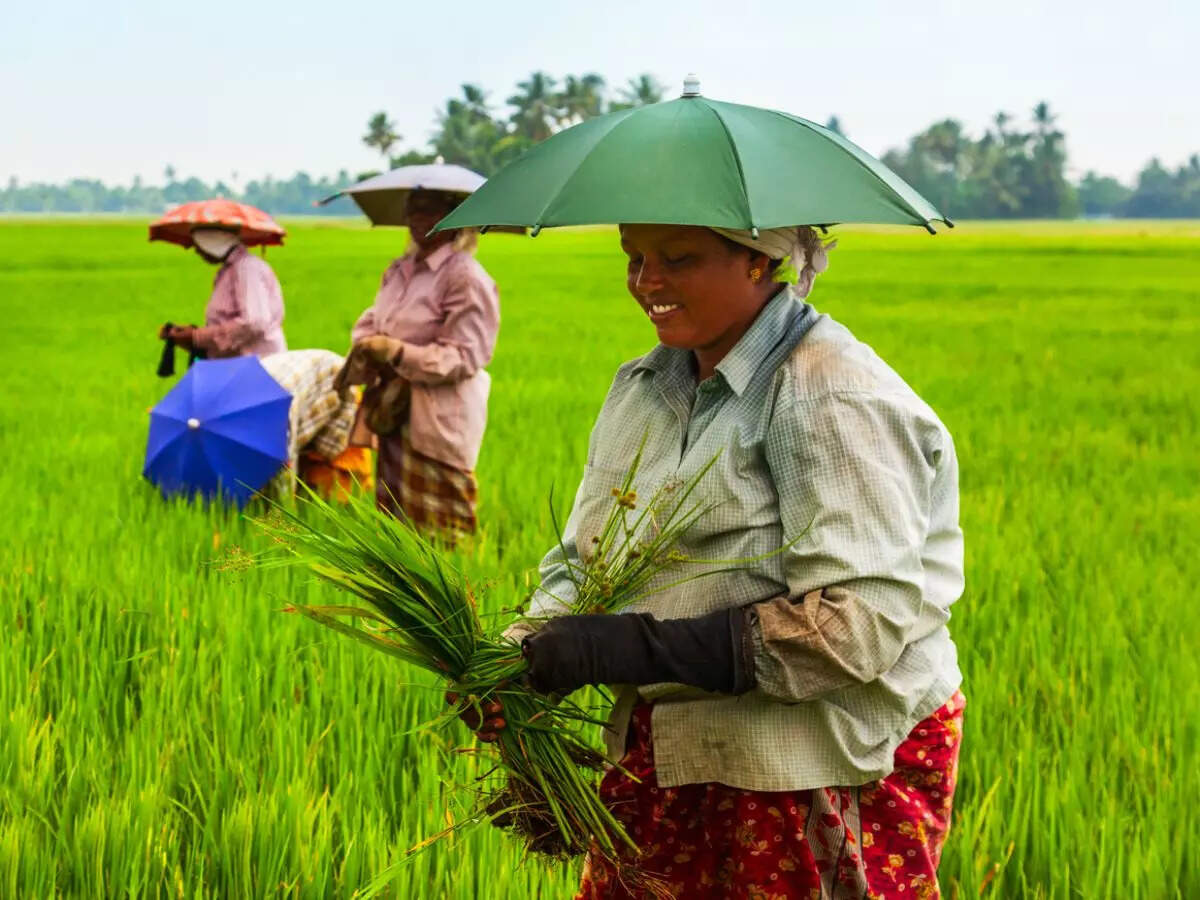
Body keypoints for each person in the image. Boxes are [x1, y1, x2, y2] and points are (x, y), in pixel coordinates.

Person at [476, 225, 965, 899]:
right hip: (669, 747)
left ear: (763, 261)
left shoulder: (829, 392)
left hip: (813, 759)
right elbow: (584, 557)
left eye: (678, 259)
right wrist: (520, 656)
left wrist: (628, 647)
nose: (647, 281)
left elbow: (858, 626)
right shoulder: (644, 385)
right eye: (636, 258)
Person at [346, 189, 499, 536]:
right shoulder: (401, 269)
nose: (416, 218)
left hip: (437, 419)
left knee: (443, 536)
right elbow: (374, 318)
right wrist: (369, 342)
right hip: (392, 411)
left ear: (454, 217)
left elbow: (465, 354)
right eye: (412, 209)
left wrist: (398, 352)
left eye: (429, 210)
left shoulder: (465, 277)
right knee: (394, 529)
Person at [159, 226, 287, 359]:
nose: (196, 250)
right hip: (237, 364)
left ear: (213, 243)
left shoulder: (246, 268)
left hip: (255, 366)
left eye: (199, 244)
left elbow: (254, 322)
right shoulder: (229, 270)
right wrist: (192, 335)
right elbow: (227, 319)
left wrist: (197, 336)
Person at [259, 349, 366, 500]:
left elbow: (285, 468)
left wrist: (283, 518)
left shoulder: (278, 415)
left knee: (326, 461)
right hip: (296, 380)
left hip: (333, 378)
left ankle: (327, 503)